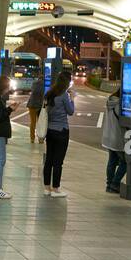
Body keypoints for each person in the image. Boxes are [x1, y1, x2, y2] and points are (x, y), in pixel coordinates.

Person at [43, 69, 75, 197]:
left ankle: (46, 188)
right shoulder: (63, 96)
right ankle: (55, 189)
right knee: (58, 162)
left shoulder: (49, 93)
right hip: (61, 131)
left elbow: (46, 111)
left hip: (49, 131)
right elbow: (70, 111)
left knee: (49, 160)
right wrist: (72, 99)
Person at [102, 86, 126, 193]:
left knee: (112, 161)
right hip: (118, 137)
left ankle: (109, 184)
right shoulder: (120, 105)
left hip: (109, 136)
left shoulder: (110, 101)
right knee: (125, 162)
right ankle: (115, 184)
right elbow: (125, 121)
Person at [26, 72, 45, 145]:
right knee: (40, 123)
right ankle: (40, 139)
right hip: (40, 106)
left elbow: (32, 91)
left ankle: (32, 138)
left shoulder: (34, 83)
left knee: (32, 122)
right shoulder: (45, 85)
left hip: (32, 105)